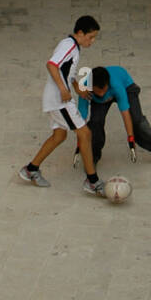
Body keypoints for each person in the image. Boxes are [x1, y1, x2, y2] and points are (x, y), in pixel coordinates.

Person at [18, 16, 105, 195]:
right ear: (80, 33)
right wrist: (63, 90)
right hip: (59, 100)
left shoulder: (73, 46)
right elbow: (51, 65)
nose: (93, 41)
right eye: (91, 37)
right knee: (85, 133)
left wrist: (76, 88)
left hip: (56, 98)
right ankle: (93, 181)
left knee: (59, 136)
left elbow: (67, 72)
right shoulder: (69, 46)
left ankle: (31, 170)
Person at [72, 64, 151, 168]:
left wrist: (130, 139)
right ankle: (94, 155)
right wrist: (80, 141)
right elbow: (82, 118)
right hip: (100, 99)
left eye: (103, 91)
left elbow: (125, 112)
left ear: (108, 84)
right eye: (97, 92)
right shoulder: (85, 88)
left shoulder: (116, 85)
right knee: (95, 122)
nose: (101, 94)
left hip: (126, 87)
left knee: (136, 121)